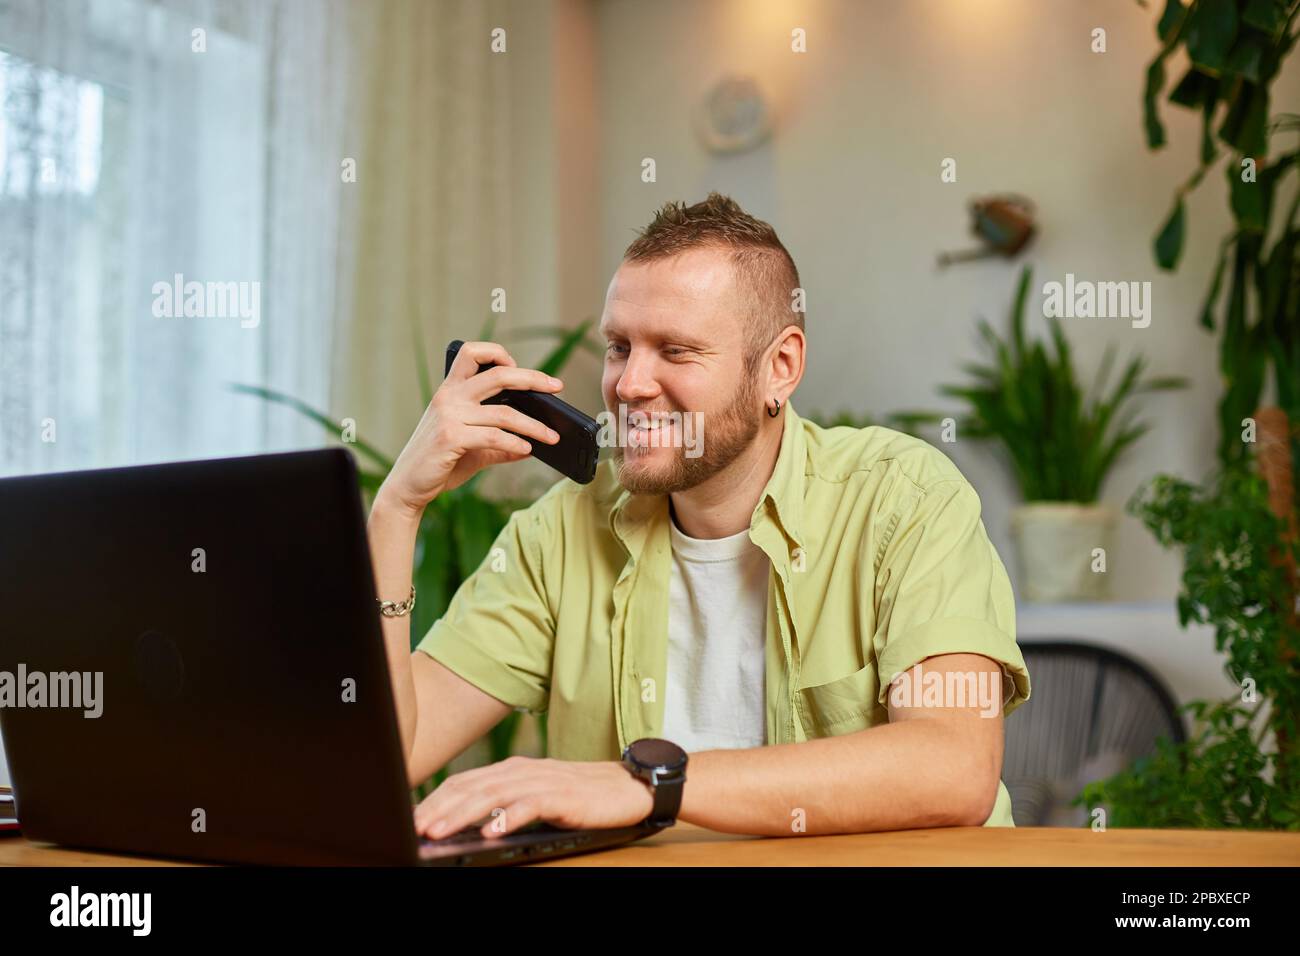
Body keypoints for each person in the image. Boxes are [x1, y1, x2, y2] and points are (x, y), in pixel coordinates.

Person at [367, 192, 1031, 839]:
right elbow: (390, 757)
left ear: (780, 367)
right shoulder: (562, 531)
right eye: (620, 346)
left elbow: (953, 764)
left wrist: (646, 786)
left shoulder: (903, 498)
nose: (629, 384)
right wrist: (398, 508)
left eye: (676, 350)